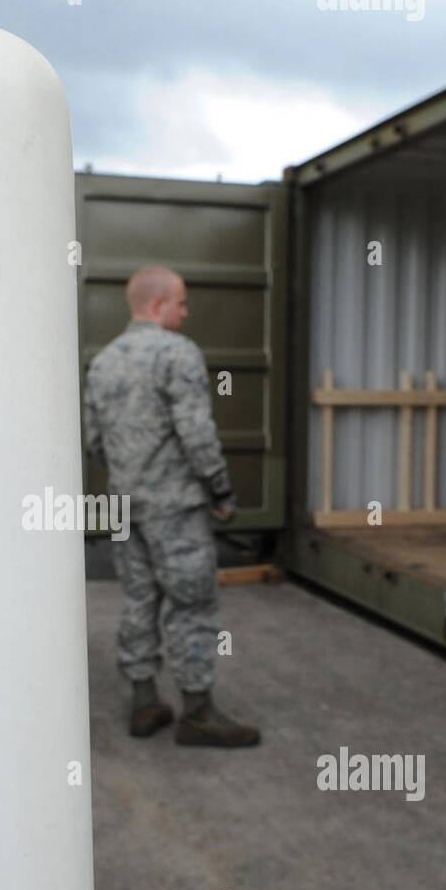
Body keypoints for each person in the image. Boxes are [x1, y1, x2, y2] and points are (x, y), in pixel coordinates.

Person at [83, 265, 260, 747]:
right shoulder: (178, 353)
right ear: (158, 304)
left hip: (125, 506)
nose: (187, 311)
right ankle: (198, 712)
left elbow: (94, 441)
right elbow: (197, 433)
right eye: (181, 303)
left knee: (139, 599)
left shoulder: (102, 363)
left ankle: (144, 703)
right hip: (175, 508)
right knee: (192, 604)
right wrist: (220, 491)